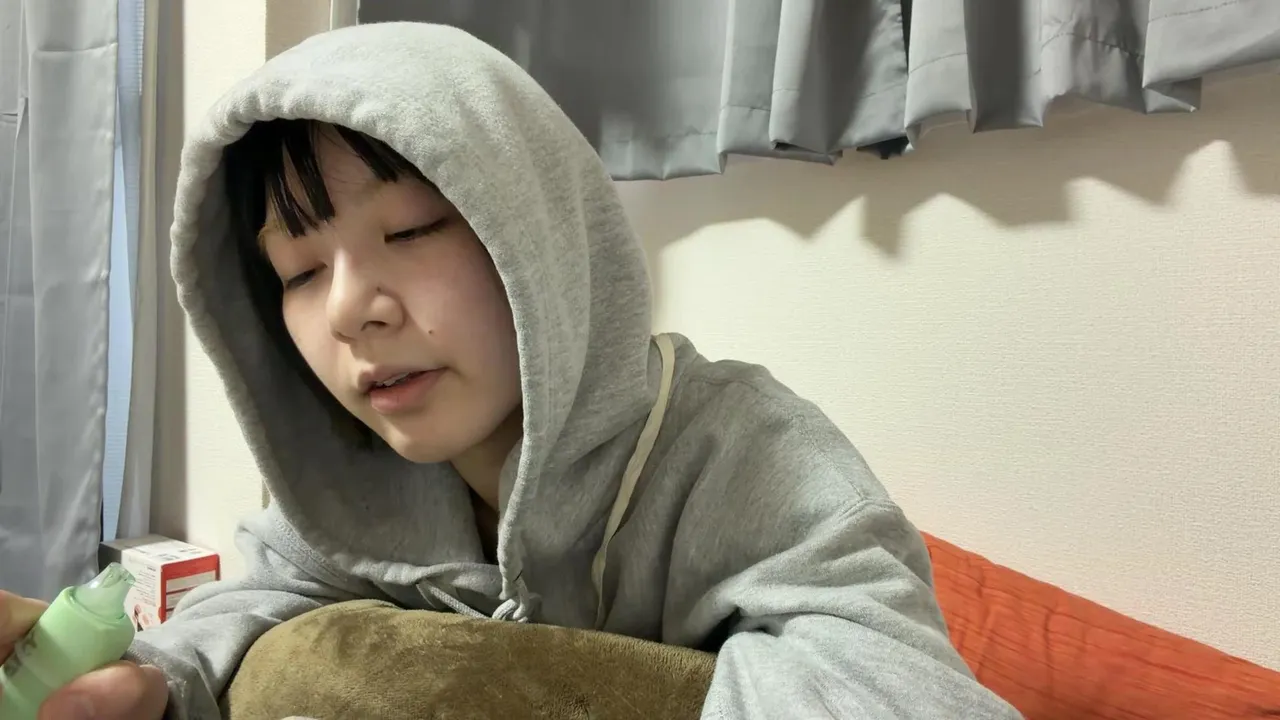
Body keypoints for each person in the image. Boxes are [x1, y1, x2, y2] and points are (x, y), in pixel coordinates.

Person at [0, 22, 1022, 720]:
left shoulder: (742, 451)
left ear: (538, 233)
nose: (351, 309)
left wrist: (482, 680)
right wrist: (163, 677)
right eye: (301, 272)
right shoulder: (345, 486)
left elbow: (904, 689)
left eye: (409, 230)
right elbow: (258, 598)